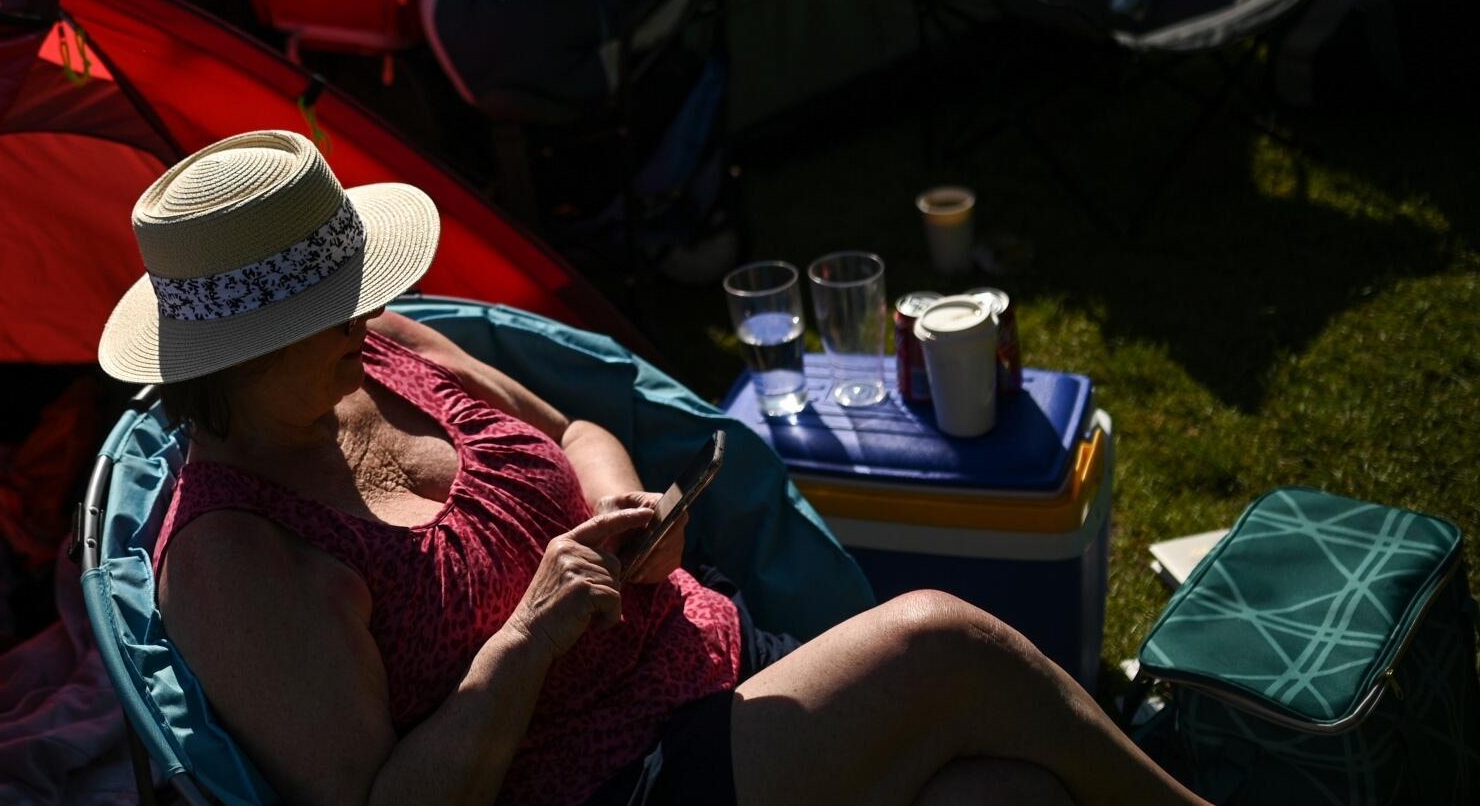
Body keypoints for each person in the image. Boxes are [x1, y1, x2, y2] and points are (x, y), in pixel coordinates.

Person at [103, 130, 1220, 806]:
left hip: (711, 668)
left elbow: (574, 429)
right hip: (603, 783)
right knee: (941, 640)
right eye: (327, 305)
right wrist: (529, 637)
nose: (362, 314)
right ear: (240, 350)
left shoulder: (382, 352)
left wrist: (615, 507)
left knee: (1008, 798)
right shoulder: (233, 556)